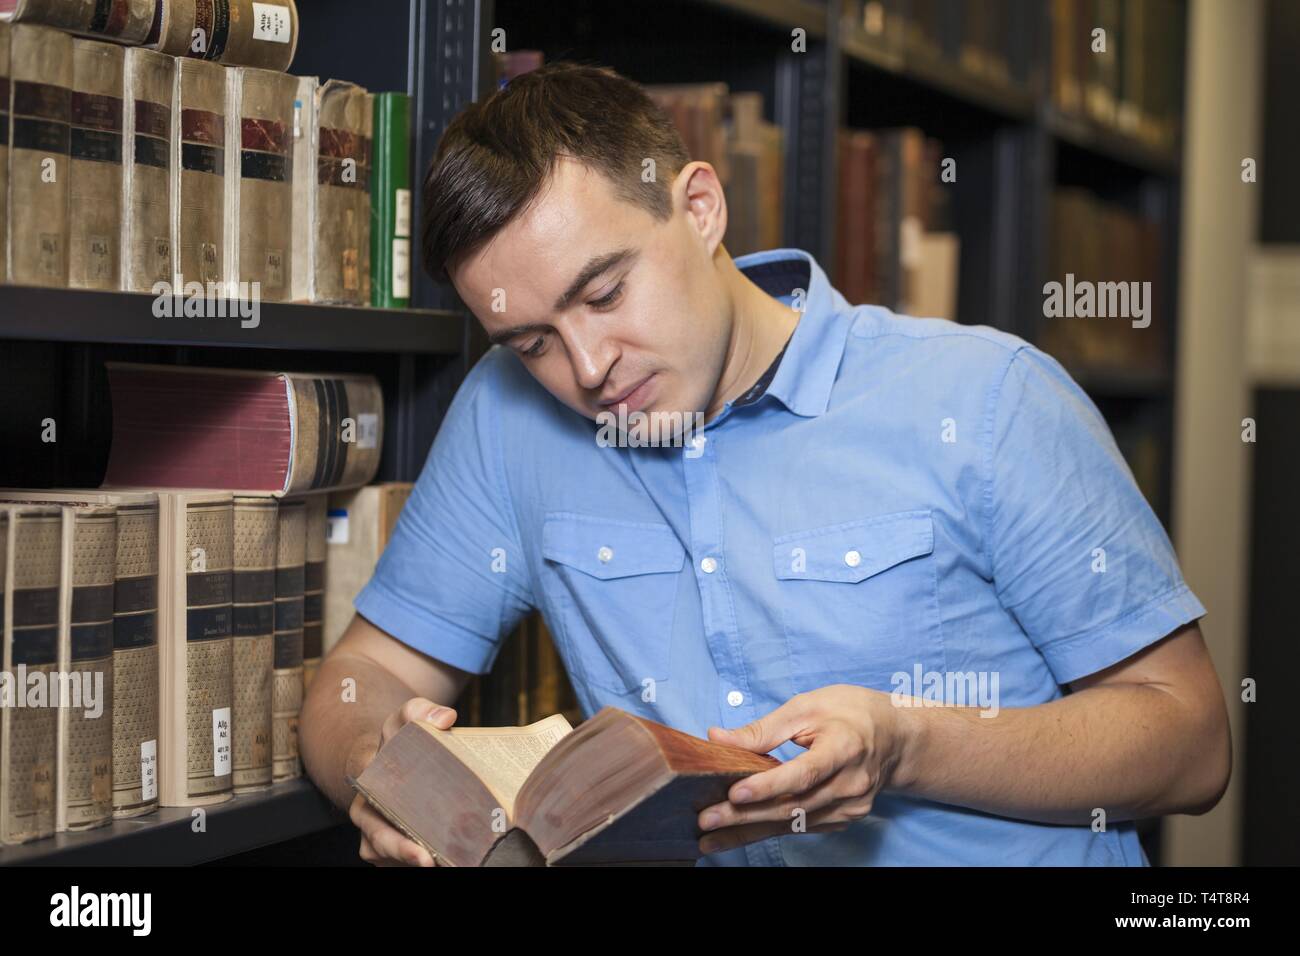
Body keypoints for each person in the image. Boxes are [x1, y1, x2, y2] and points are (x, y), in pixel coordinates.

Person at [299, 62, 1230, 867]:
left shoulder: (988, 399)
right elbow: (360, 679)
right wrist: (376, 774)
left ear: (699, 207)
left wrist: (907, 744)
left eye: (606, 292)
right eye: (533, 339)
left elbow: (1190, 745)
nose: (586, 368)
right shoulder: (507, 418)